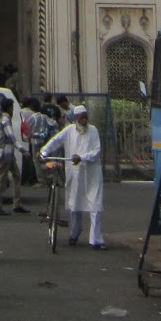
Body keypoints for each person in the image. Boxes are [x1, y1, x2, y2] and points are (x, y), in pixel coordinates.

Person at [39, 104, 105, 248]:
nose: (84, 120)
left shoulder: (93, 130)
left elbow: (96, 151)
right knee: (75, 205)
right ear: (75, 118)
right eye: (81, 117)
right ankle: (74, 233)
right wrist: (44, 151)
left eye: (86, 117)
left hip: (92, 174)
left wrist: (82, 157)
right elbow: (55, 141)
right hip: (75, 174)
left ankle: (96, 240)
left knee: (95, 206)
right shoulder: (69, 130)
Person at [0, 97, 27, 215]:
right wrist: (23, 150)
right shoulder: (5, 120)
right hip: (5, 152)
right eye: (12, 108)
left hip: (8, 153)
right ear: (8, 108)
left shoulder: (4, 118)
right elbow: (11, 137)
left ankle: (17, 203)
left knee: (16, 175)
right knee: (2, 178)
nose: (13, 110)